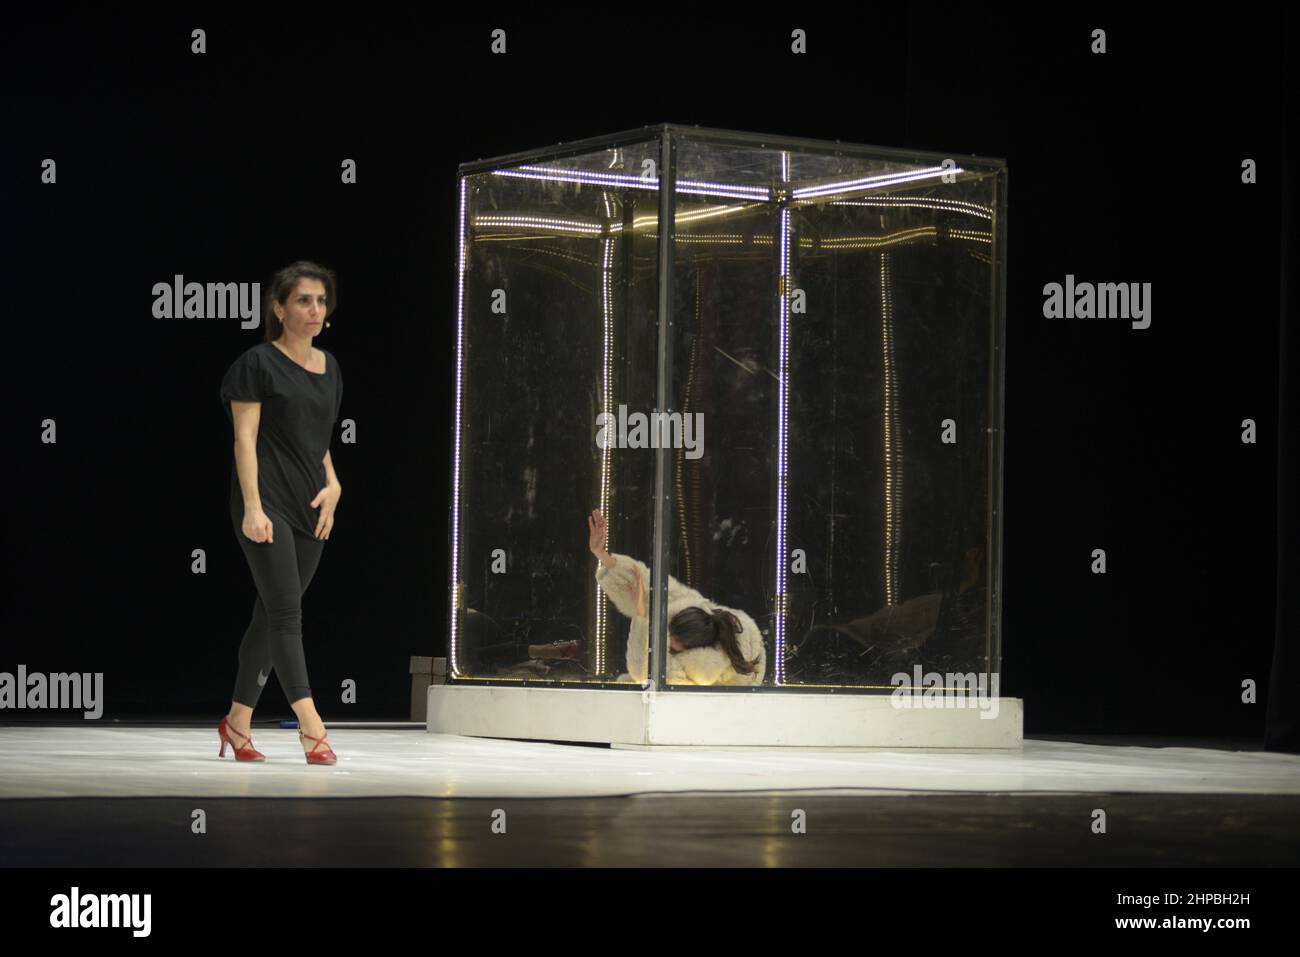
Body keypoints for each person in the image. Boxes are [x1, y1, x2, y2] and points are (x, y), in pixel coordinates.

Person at [215, 261, 344, 765]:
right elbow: (244, 439)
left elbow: (317, 439)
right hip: (265, 499)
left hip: (311, 502)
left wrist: (334, 482)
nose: (315, 310)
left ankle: (237, 723)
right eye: (303, 301)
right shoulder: (257, 363)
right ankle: (312, 728)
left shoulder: (330, 367)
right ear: (279, 308)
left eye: (320, 301)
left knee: (268, 617)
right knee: (288, 616)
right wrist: (252, 506)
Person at [586, 509, 765, 685]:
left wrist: (641, 615)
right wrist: (600, 553)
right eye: (671, 633)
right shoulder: (692, 610)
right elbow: (641, 579)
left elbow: (643, 672)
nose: (668, 640)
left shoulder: (702, 672)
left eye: (675, 642)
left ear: (692, 649)